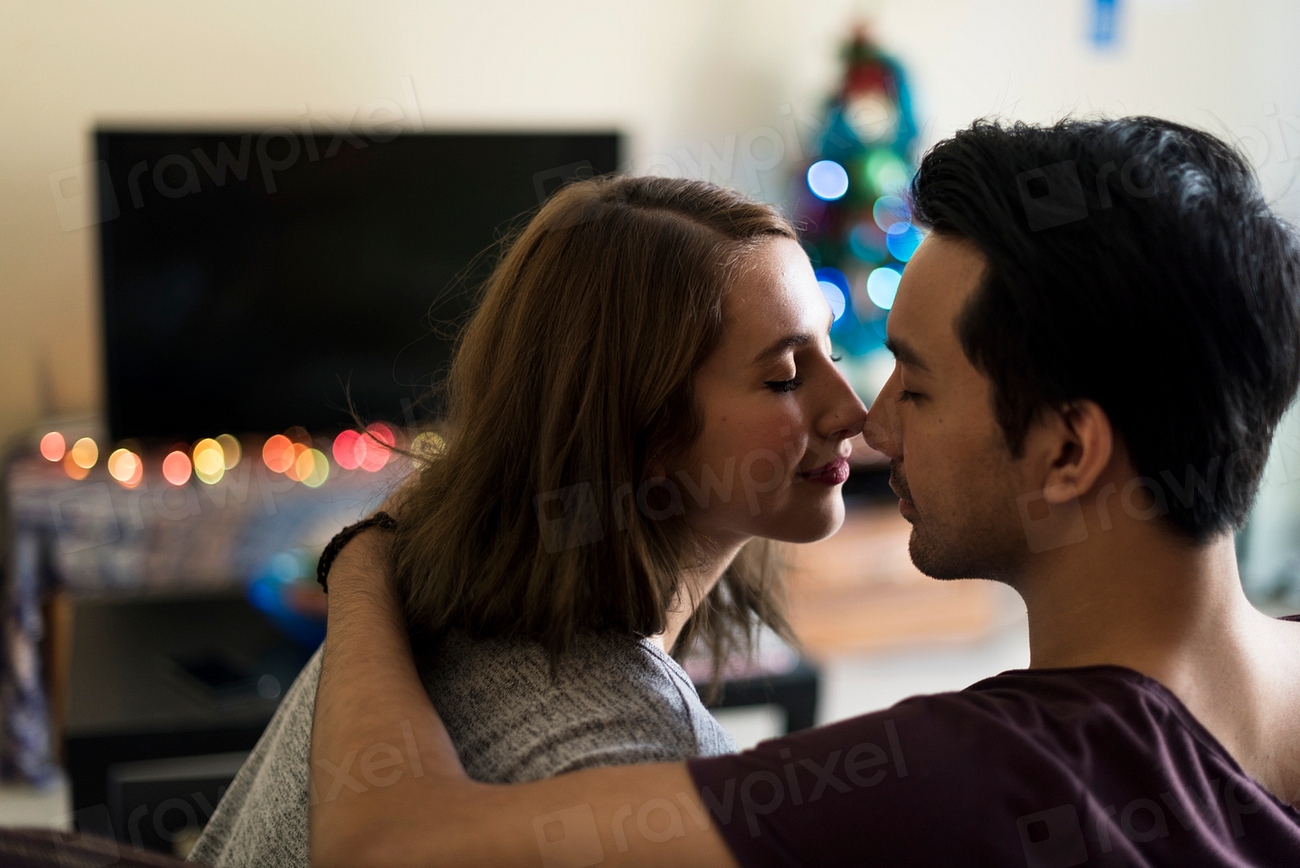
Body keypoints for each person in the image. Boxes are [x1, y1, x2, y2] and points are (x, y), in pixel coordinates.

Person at [307, 116, 1300, 867]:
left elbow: (385, 846)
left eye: (913, 384)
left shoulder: (970, 778)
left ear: (1068, 451)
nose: (872, 426)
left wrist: (359, 562)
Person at [189, 176, 868, 867]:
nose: (852, 410)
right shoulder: (641, 759)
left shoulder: (413, 609)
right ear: (641, 425)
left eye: (831, 351)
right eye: (785, 374)